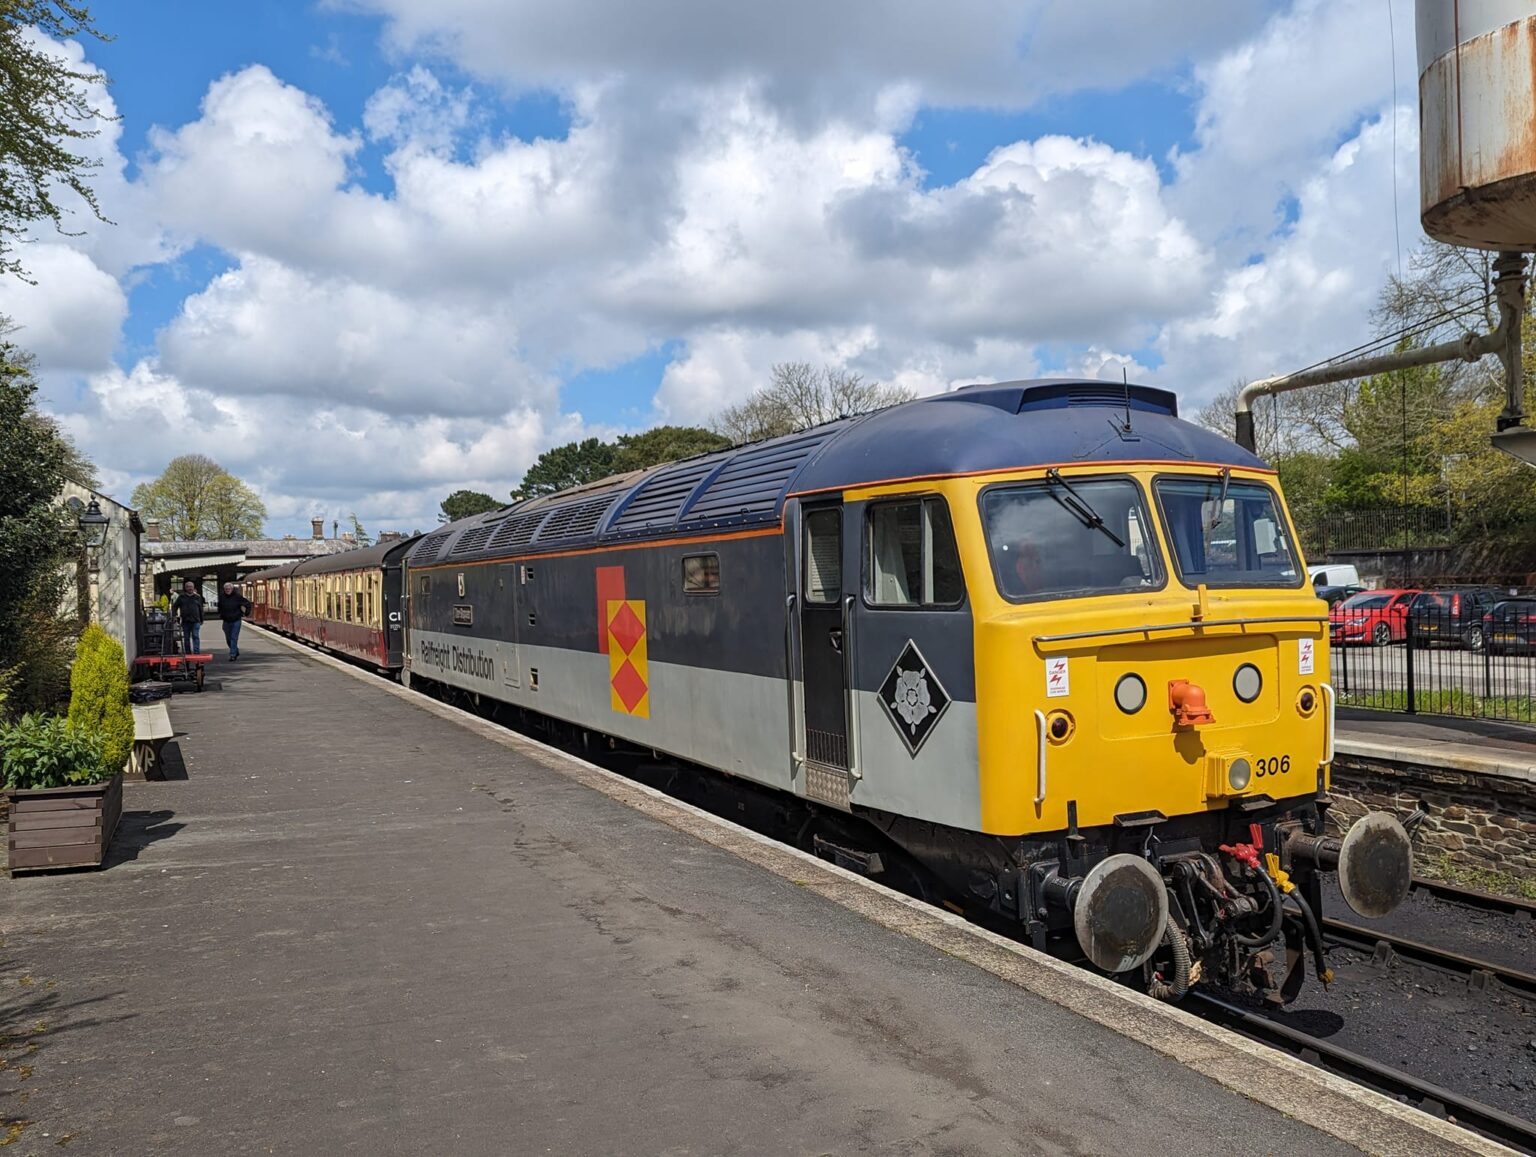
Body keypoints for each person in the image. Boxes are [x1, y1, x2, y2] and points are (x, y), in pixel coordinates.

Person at [217, 581, 253, 661]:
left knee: (234, 637)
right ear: (224, 589)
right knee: (228, 638)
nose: (227, 590)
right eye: (226, 589)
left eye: (229, 589)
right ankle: (235, 650)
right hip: (226, 620)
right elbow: (220, 606)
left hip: (236, 620)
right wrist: (220, 614)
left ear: (232, 589)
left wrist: (246, 613)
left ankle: (233, 655)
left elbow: (247, 604)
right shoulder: (222, 597)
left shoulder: (237, 597)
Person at [172, 580, 205, 655]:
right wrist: (174, 616)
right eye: (188, 587)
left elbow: (201, 609)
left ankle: (196, 652)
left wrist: (202, 619)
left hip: (196, 621)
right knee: (186, 638)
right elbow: (174, 607)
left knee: (195, 636)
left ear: (193, 588)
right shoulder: (181, 597)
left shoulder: (197, 597)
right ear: (185, 588)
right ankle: (188, 653)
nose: (190, 588)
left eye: (191, 587)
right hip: (185, 621)